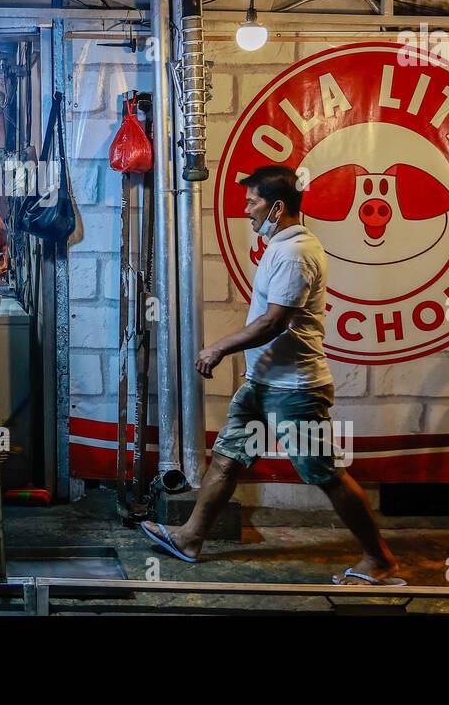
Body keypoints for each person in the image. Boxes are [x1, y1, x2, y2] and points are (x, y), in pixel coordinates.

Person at [140, 165, 402, 586]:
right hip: (263, 383)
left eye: (253, 202)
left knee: (325, 473)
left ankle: (381, 559)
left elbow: (274, 322)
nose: (247, 211)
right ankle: (190, 538)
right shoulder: (283, 247)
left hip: (294, 389)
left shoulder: (295, 253)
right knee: (227, 457)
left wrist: (219, 347)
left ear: (277, 207)